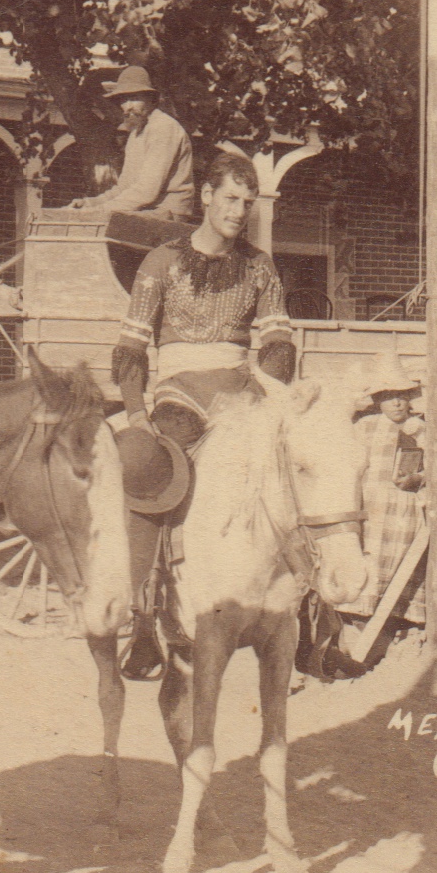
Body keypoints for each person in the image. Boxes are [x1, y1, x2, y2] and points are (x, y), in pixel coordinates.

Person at [110, 150, 296, 680]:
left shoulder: (260, 264)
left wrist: (272, 386)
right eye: (231, 199)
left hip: (243, 385)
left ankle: (308, 610)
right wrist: (137, 413)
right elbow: (131, 345)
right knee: (155, 466)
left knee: (295, 465)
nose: (239, 211)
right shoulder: (162, 262)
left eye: (248, 201)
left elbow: (278, 335)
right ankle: (144, 616)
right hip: (180, 389)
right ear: (207, 198)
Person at [340, 355, 430, 652]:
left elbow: (435, 466)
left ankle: (396, 618)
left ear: (409, 400)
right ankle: (359, 616)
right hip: (371, 503)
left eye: (401, 397)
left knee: (401, 560)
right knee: (369, 557)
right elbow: (348, 463)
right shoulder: (365, 426)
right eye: (389, 398)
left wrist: (419, 478)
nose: (396, 404)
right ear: (378, 400)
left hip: (404, 507)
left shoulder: (420, 429)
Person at [68, 65, 195, 223]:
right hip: (146, 209)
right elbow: (124, 188)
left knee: (93, 227)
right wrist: (91, 203)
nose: (128, 107)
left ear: (150, 100)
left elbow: (147, 191)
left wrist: (98, 211)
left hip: (167, 212)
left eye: (134, 99)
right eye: (123, 100)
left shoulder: (163, 128)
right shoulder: (136, 133)